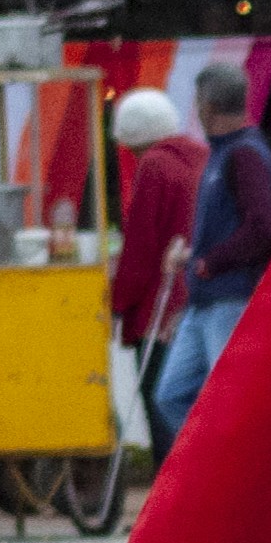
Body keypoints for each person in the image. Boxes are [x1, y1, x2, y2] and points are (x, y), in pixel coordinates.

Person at [151, 70, 271, 445]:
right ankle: (209, 466)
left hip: (231, 295)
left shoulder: (243, 154)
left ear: (208, 106)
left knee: (226, 400)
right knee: (173, 394)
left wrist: (212, 262)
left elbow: (262, 226)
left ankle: (230, 473)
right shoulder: (227, 152)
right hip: (208, 297)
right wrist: (198, 256)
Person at [107, 86, 207, 437]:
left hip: (160, 304)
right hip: (198, 296)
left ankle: (168, 479)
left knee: (159, 397)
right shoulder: (200, 155)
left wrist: (118, 301)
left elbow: (142, 244)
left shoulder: (154, 164)